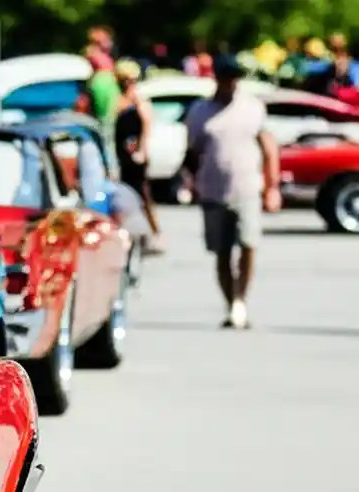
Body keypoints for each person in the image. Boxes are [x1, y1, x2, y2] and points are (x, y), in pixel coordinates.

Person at [185, 55, 281, 330]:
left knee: (249, 245)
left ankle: (242, 299)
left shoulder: (252, 108)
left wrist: (272, 186)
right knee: (222, 252)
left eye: (234, 78)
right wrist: (191, 182)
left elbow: (268, 147)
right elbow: (192, 151)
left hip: (248, 188)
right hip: (213, 190)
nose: (231, 83)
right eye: (226, 78)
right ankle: (231, 305)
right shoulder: (200, 111)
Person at [114, 60, 162, 253]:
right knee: (122, 195)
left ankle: (156, 233)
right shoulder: (119, 99)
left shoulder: (138, 100)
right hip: (123, 153)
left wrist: (142, 150)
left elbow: (147, 125)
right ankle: (125, 235)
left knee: (143, 195)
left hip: (136, 155)